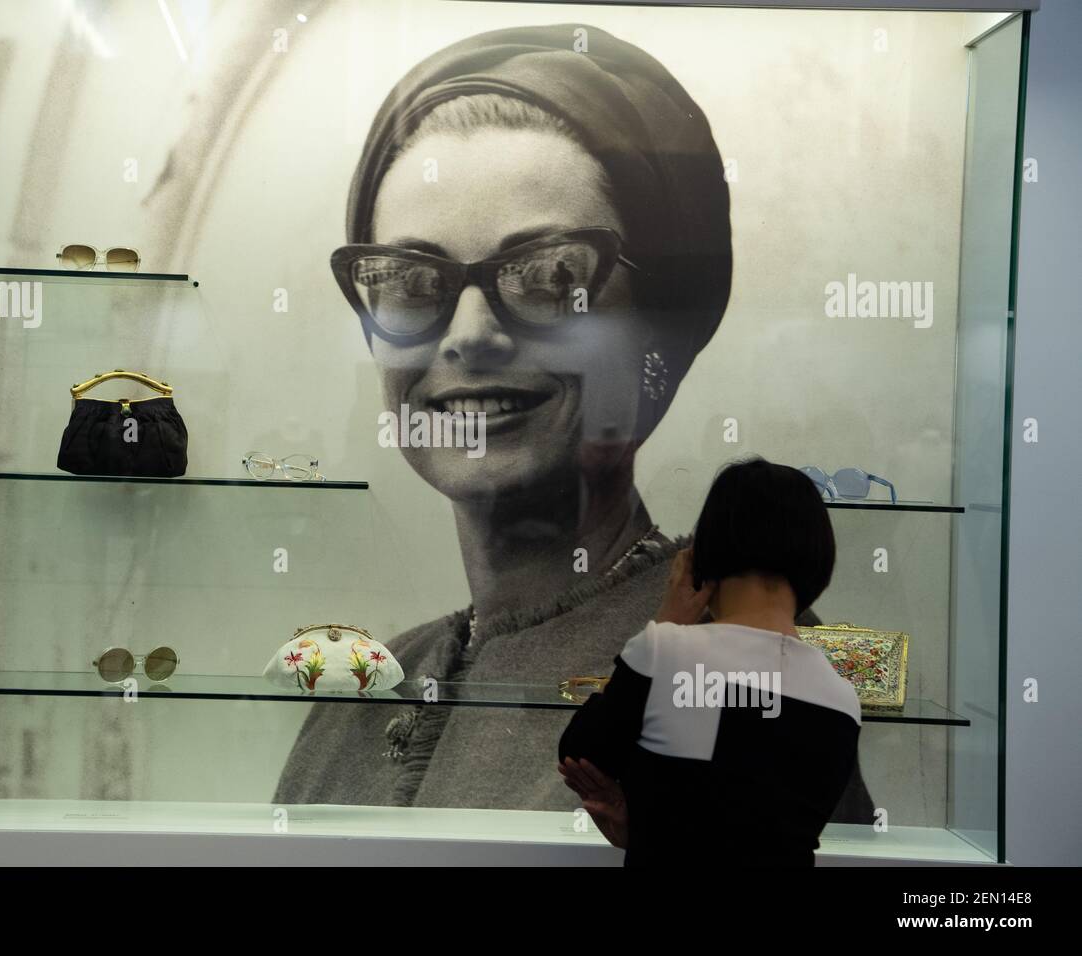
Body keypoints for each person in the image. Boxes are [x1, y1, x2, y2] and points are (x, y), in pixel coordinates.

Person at [275, 23, 872, 821]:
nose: (470, 335)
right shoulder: (373, 682)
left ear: (655, 324)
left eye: (549, 276)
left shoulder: (736, 653)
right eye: (414, 282)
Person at [558, 458, 862, 865]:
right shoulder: (842, 698)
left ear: (704, 554)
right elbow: (766, 831)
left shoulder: (667, 651)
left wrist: (666, 620)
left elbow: (580, 755)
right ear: (819, 558)